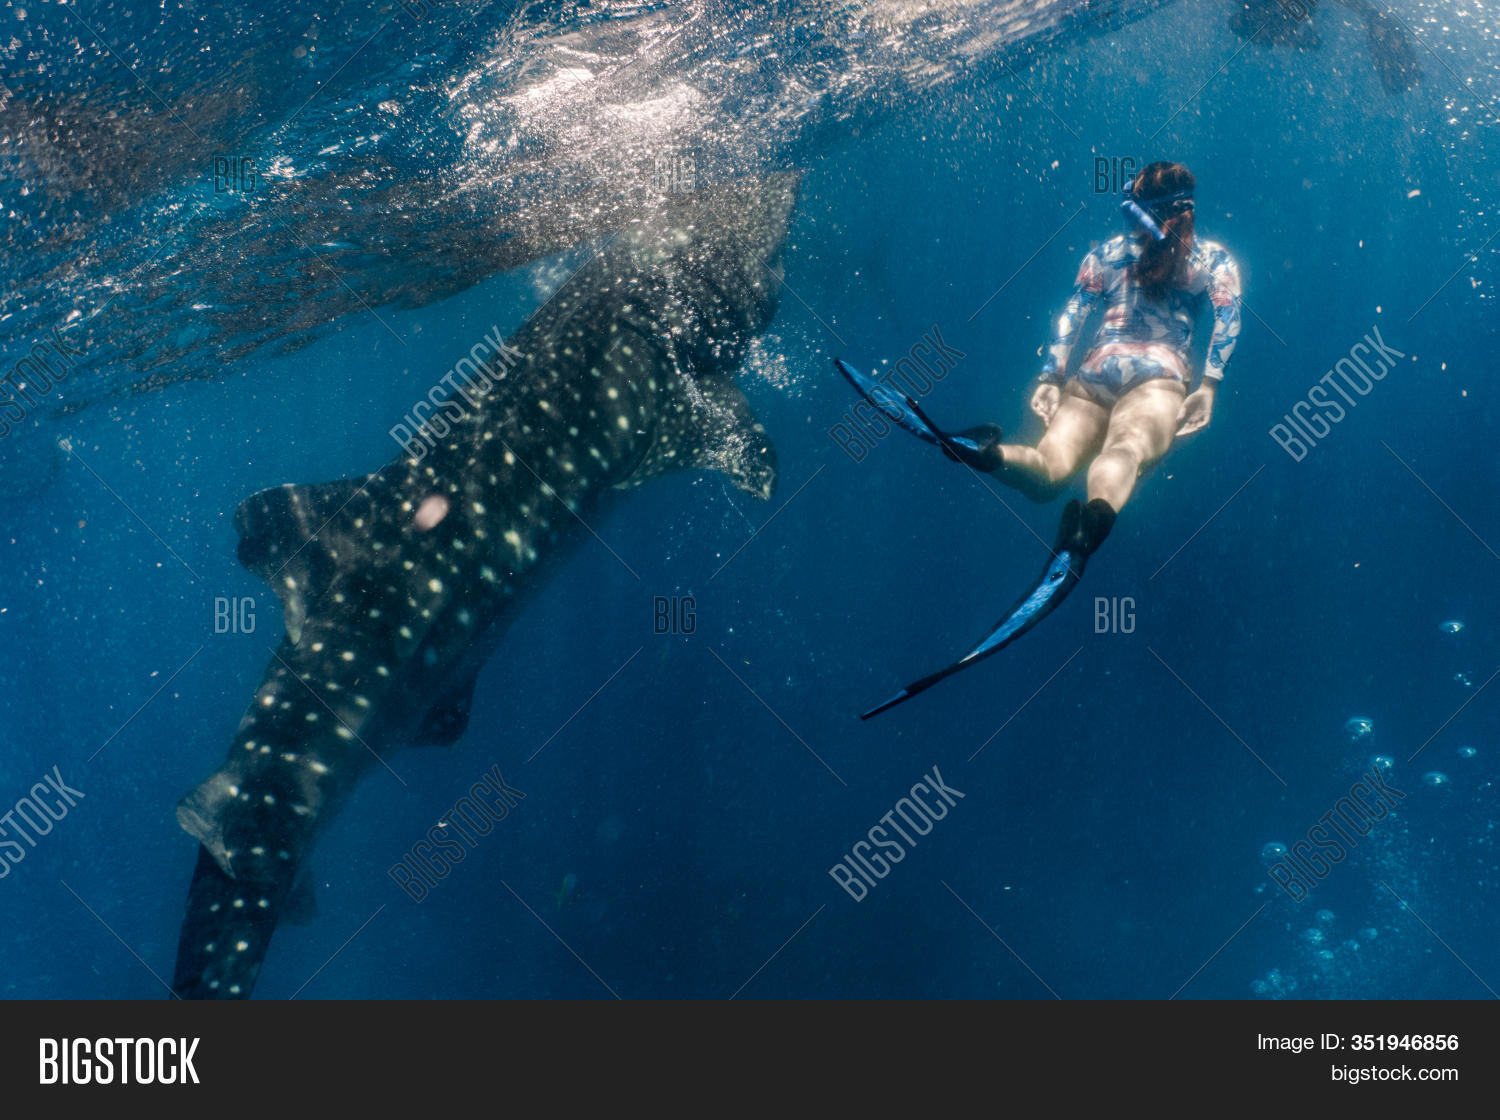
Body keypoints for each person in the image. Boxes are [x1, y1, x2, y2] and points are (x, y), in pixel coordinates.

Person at [837, 161, 1243, 718]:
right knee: (1124, 452)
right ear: (1187, 207)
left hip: (1091, 373)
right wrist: (1210, 386)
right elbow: (1227, 318)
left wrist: (1052, 376)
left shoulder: (1107, 251)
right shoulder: (1211, 260)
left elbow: (1071, 316)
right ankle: (1083, 535)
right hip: (1158, 375)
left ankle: (984, 450)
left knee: (1049, 468)